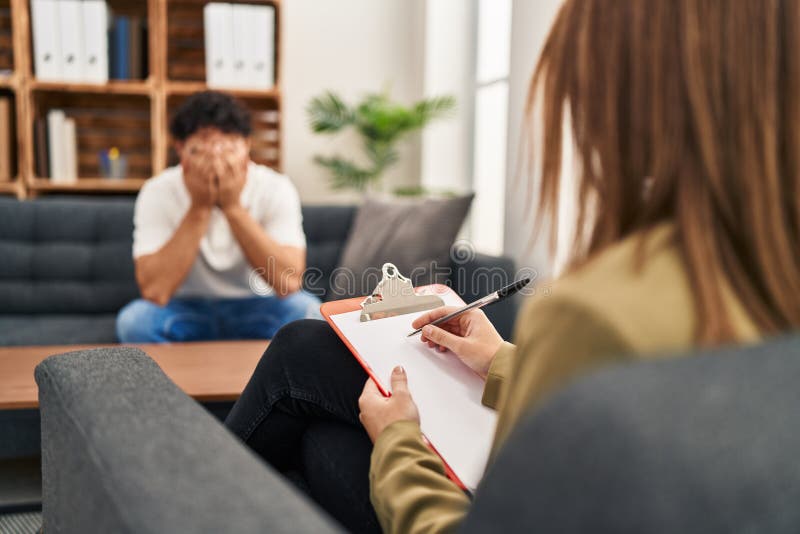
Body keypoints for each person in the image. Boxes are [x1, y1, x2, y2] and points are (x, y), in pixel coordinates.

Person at [225, 1, 800, 532]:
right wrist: (497, 360)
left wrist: (399, 441)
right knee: (305, 349)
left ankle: (197, 494)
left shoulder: (597, 315)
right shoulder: (766, 276)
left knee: (320, 436)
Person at [116, 91, 319, 343]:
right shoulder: (157, 191)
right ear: (181, 149)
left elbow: (288, 282)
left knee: (309, 313)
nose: (216, 158)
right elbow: (155, 291)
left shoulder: (275, 187)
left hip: (258, 304)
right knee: (134, 322)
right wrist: (200, 207)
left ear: (246, 146)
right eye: (202, 147)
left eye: (228, 146)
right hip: (186, 308)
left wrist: (232, 206)